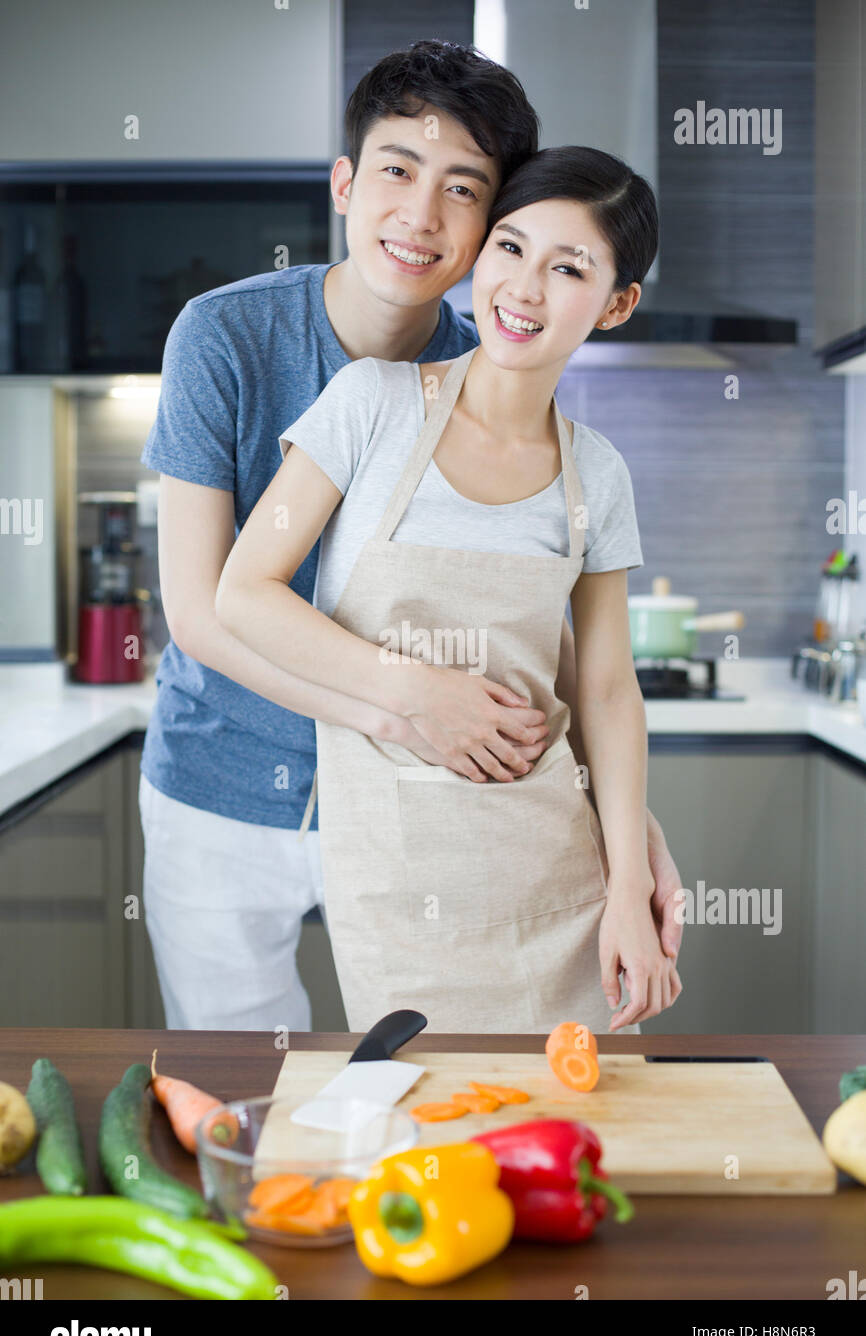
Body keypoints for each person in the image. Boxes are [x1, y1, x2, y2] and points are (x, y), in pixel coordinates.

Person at [140, 39, 684, 1032]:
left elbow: (543, 637)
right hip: (225, 789)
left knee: (413, 1096)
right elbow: (204, 611)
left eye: (463, 190)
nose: (421, 216)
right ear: (345, 181)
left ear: (491, 221)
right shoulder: (227, 337)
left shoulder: (491, 365)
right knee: (244, 1095)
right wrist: (399, 707)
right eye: (396, 170)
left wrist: (622, 818)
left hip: (424, 815)